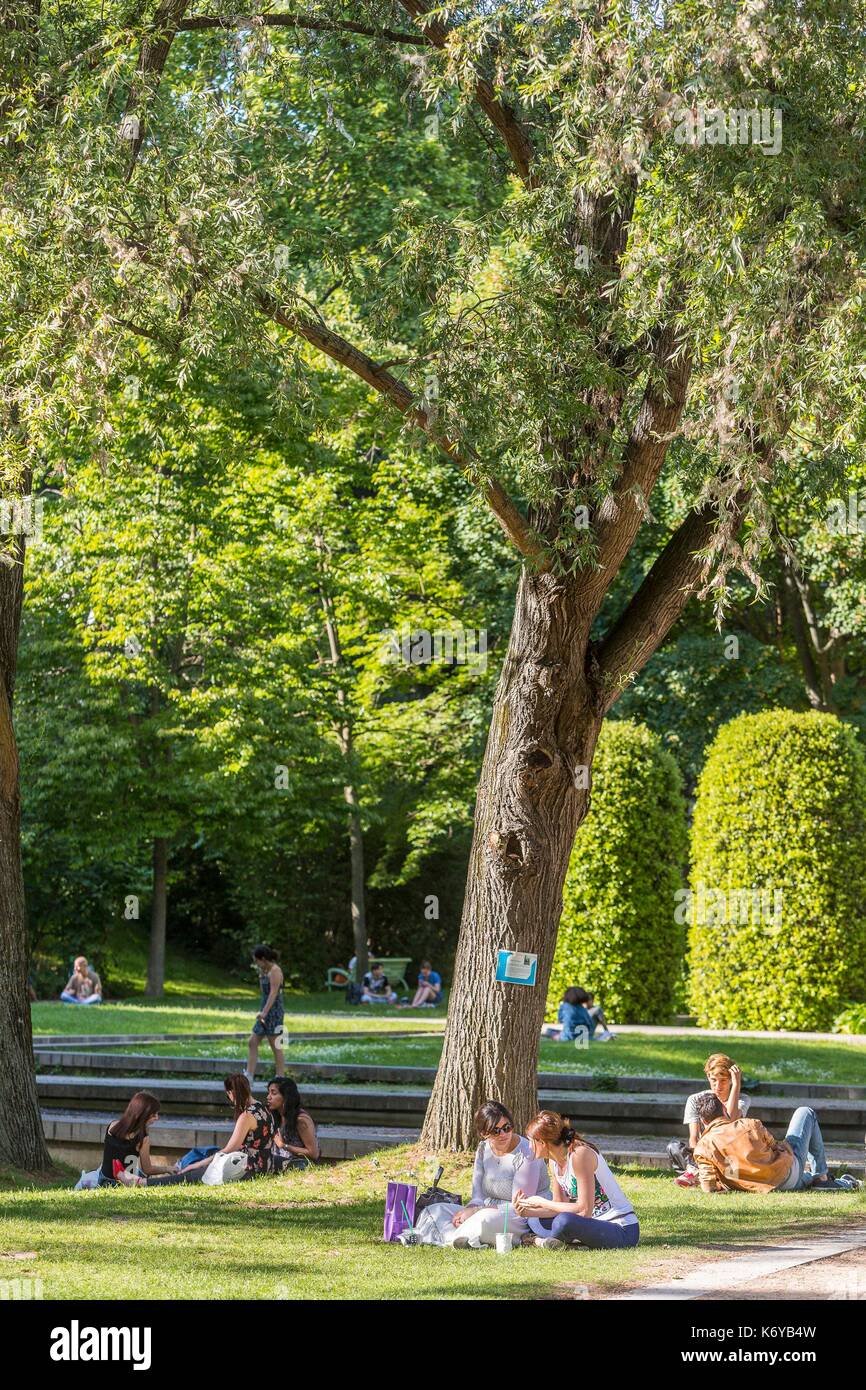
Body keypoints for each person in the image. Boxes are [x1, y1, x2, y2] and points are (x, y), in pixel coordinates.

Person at [514, 1110, 640, 1250]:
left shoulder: (580, 1155)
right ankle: (563, 1242)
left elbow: (584, 1210)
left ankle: (543, 1242)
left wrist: (542, 1202)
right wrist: (527, 1212)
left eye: (531, 1141)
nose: (529, 1146)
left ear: (542, 1142)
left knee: (563, 1221)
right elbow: (559, 1206)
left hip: (621, 1229)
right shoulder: (553, 1162)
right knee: (535, 1221)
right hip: (589, 1224)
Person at [692, 1093, 860, 1193]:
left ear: (703, 1121)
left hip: (759, 1187)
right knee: (805, 1112)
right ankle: (823, 1178)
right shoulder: (749, 1124)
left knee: (805, 1178)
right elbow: (774, 1146)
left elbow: (708, 1186)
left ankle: (842, 1182)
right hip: (784, 1176)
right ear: (724, 1108)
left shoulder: (702, 1147)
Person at [438, 1101, 549, 1247]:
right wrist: (468, 1209)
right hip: (487, 1209)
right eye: (496, 1131)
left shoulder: (527, 1153)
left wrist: (476, 1211)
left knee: (485, 1220)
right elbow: (478, 1196)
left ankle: (451, 1237)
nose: (503, 1134)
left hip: (521, 1216)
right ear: (484, 1133)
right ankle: (461, 1236)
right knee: (437, 1209)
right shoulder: (483, 1149)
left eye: (507, 1127)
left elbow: (521, 1206)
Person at [147, 1074, 276, 1185]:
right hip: (266, 1164)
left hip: (249, 1168)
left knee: (193, 1174)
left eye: (228, 1095)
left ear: (231, 1093)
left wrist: (196, 1165)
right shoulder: (262, 1108)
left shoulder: (246, 1116)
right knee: (207, 1152)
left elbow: (228, 1150)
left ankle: (146, 1183)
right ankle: (179, 1167)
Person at [669, 1053, 750, 1187]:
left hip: (728, 1154)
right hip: (702, 1153)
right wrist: (700, 1160)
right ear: (708, 1077)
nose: (718, 1086)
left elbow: (730, 1119)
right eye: (714, 1080)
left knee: (733, 1165)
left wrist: (736, 1085)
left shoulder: (742, 1099)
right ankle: (698, 1172)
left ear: (730, 1079)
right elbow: (693, 1138)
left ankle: (698, 1176)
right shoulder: (696, 1099)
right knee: (674, 1147)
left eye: (723, 1080)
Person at [97, 1091, 174, 1186]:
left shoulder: (112, 1126)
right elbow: (148, 1169)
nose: (157, 1118)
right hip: (125, 1183)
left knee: (139, 1173)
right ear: (143, 1114)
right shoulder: (142, 1138)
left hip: (103, 1180)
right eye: (154, 1114)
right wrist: (167, 1169)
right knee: (147, 1179)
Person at [247, 945, 285, 1081]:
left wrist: (264, 1012)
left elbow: (273, 993)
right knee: (252, 1042)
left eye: (256, 961)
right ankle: (249, 1076)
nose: (256, 964)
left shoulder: (275, 970)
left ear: (263, 959)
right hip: (264, 1009)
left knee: (275, 1044)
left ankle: (280, 1078)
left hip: (273, 1011)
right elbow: (264, 994)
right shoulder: (263, 971)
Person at [266, 1077, 319, 1171]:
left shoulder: (301, 1120)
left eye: (273, 1093)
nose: (268, 1097)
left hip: (300, 1164)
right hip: (280, 1161)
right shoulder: (276, 1115)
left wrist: (283, 1145)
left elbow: (313, 1153)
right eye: (269, 1092)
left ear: (286, 1097)